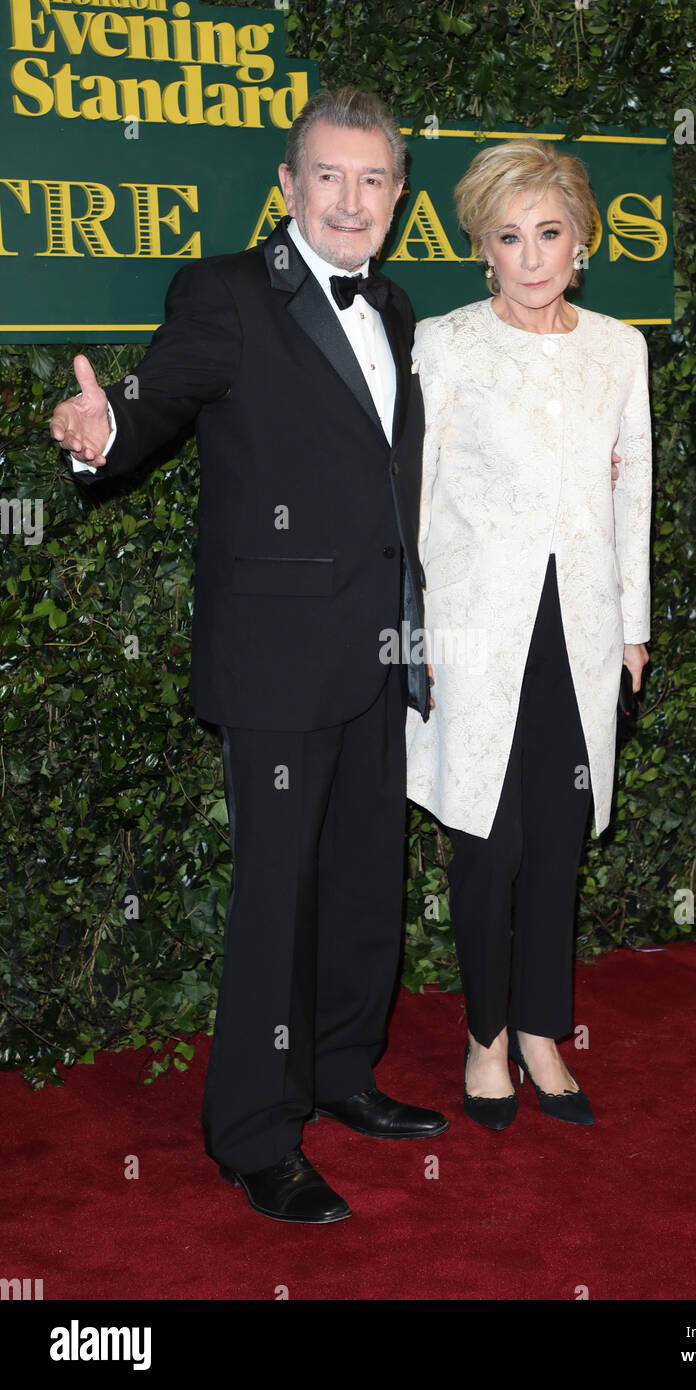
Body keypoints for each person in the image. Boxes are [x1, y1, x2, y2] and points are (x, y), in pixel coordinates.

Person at [50, 87, 448, 1224]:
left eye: (373, 180)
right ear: (286, 186)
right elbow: (156, 398)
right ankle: (252, 1133)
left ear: (396, 199)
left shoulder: (402, 307)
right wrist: (105, 430)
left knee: (368, 876)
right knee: (275, 898)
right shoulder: (224, 293)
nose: (350, 199)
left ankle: (338, 1072)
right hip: (277, 658)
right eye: (328, 175)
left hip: (378, 646)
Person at [405, 139, 652, 1129]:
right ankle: (484, 1037)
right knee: (486, 844)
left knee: (556, 841)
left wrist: (633, 625)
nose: (533, 254)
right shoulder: (443, 343)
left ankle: (543, 1030)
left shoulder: (618, 348)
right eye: (509, 237)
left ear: (581, 239)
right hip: (475, 629)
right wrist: (407, 625)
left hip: (581, 632)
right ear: (482, 250)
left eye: (548, 232)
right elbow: (411, 497)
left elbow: (631, 486)